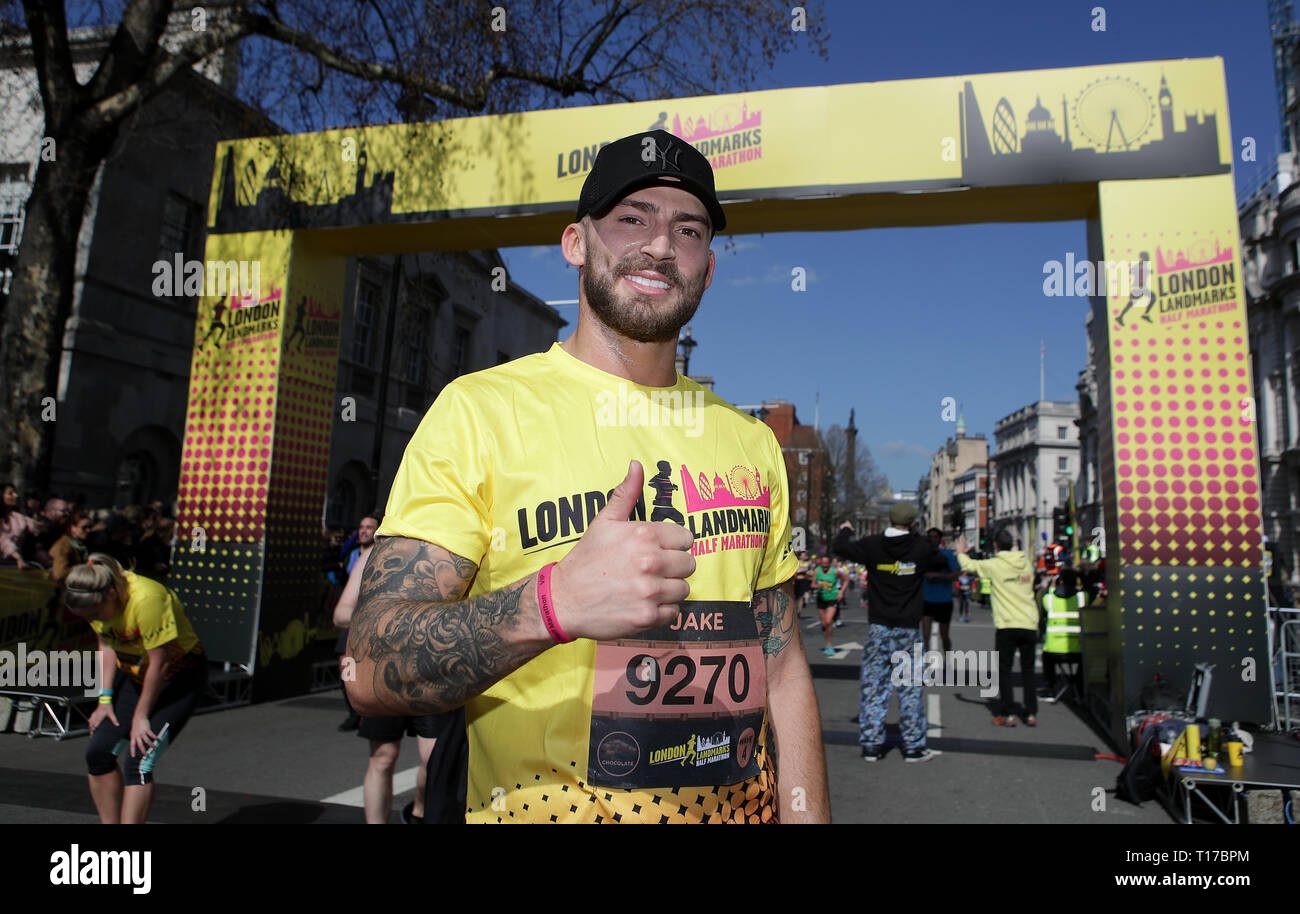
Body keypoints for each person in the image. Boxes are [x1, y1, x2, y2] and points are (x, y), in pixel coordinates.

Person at [346, 129, 828, 823]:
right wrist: (553, 605)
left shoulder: (750, 442)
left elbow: (779, 666)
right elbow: (369, 665)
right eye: (632, 219)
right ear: (576, 243)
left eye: (687, 229)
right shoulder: (480, 413)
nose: (660, 246)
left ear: (709, 267)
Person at [64, 553, 206, 824]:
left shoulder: (147, 599)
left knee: (138, 759)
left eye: (94, 613)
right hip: (136, 675)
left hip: (178, 677)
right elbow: (106, 645)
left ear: (111, 594)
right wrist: (104, 700)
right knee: (98, 753)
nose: (93, 619)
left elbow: (160, 662)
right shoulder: (93, 596)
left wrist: (141, 717)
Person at [333, 525, 452, 824]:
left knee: (433, 760)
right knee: (383, 757)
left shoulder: (444, 552)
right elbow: (340, 614)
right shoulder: (375, 555)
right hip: (381, 670)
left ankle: (418, 812)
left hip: (428, 669)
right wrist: (378, 615)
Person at [832, 504, 947, 763]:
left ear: (890, 519)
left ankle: (872, 744)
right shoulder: (920, 548)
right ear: (913, 523)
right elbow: (941, 560)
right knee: (909, 688)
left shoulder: (873, 545)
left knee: (874, 685)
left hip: (879, 626)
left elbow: (840, 548)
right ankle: (913, 746)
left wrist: (845, 531)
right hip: (907, 627)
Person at [952, 528, 1039, 726]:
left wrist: (960, 551)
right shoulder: (1025, 564)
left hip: (1007, 624)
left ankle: (1007, 713)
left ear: (997, 546)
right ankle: (1030, 712)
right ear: (1014, 545)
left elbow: (969, 566)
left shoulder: (995, 565)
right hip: (1029, 622)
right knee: (1028, 670)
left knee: (1005, 670)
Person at [335, 516, 378, 732]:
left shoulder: (380, 554)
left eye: (369, 528)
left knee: (367, 665)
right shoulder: (353, 554)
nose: (364, 531)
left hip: (371, 619)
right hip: (352, 615)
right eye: (361, 527)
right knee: (345, 664)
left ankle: (364, 708)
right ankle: (353, 710)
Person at [1040, 566, 1085, 703]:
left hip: (1053, 650)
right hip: (1078, 649)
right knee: (1086, 659)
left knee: (1046, 656)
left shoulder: (1049, 599)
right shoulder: (1082, 597)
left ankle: (1050, 687)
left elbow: (1042, 604)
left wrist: (1050, 586)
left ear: (1060, 581)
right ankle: (1079, 687)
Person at [921, 527, 960, 654]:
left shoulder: (948, 555)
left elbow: (956, 574)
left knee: (944, 636)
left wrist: (940, 576)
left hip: (944, 600)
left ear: (940, 539)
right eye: (930, 537)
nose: (932, 539)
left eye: (935, 537)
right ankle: (926, 663)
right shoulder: (922, 554)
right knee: (925, 635)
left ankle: (947, 657)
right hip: (927, 599)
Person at [812, 554, 847, 656]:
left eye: (827, 564)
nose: (825, 566)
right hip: (821, 599)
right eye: (823, 564)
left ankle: (829, 644)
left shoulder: (835, 571)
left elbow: (846, 580)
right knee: (824, 624)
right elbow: (812, 584)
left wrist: (841, 592)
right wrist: (816, 586)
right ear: (820, 563)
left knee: (828, 621)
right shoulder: (816, 571)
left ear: (829, 563)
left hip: (832, 598)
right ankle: (827, 642)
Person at [0, 483, 39, 568]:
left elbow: (37, 529)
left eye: (15, 493)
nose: (15, 496)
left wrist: (34, 511)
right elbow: (3, 541)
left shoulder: (18, 516)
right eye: (10, 493)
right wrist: (18, 557)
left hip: (15, 564)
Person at [49, 510, 92, 583]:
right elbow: (60, 574)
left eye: (90, 527)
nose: (88, 530)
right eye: (84, 527)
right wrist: (84, 567)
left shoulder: (80, 544)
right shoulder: (62, 546)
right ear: (72, 528)